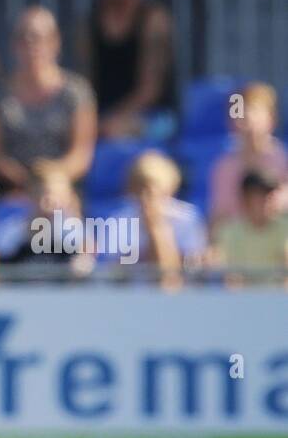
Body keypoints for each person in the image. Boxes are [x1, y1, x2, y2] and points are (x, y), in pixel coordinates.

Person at [0, 7, 96, 195]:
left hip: (63, 193)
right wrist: (28, 183)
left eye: (38, 37)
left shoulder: (77, 92)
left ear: (55, 42)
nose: (31, 45)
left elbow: (81, 155)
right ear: (13, 45)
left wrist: (49, 182)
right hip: (14, 193)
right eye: (23, 38)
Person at [77, 0, 175, 141]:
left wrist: (113, 121)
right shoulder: (88, 24)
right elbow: (84, 85)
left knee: (121, 133)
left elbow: (150, 91)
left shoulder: (153, 20)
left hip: (152, 116)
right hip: (102, 116)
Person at [112, 150, 205, 289]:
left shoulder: (188, 218)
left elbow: (186, 271)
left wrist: (157, 229)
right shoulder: (119, 220)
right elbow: (114, 273)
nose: (145, 196)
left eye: (152, 189)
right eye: (140, 187)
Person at [209, 83, 288, 227]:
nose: (246, 120)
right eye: (239, 114)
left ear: (271, 118)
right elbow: (219, 217)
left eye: (254, 111)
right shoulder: (224, 167)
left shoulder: (284, 160)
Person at [209, 169, 288, 288]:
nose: (267, 200)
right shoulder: (229, 231)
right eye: (260, 195)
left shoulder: (285, 228)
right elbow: (229, 276)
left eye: (270, 195)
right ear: (245, 199)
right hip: (241, 301)